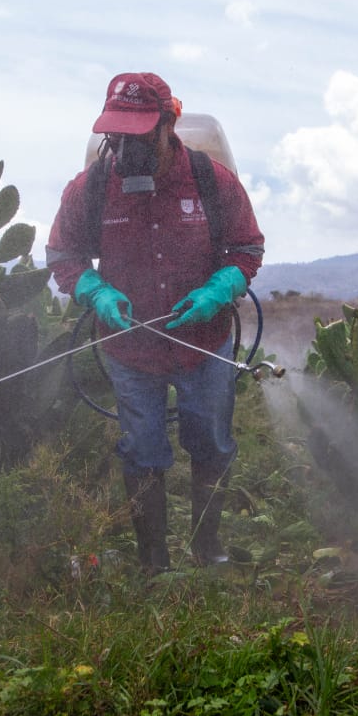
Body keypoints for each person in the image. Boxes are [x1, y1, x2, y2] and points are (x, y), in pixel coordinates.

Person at [46, 72, 265, 573]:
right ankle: (154, 563)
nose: (125, 150)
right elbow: (63, 253)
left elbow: (247, 248)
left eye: (139, 136)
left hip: (204, 343)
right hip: (131, 349)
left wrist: (218, 290)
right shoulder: (92, 188)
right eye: (116, 136)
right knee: (142, 449)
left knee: (211, 441)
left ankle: (207, 549)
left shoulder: (212, 181)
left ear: (169, 125)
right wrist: (94, 291)